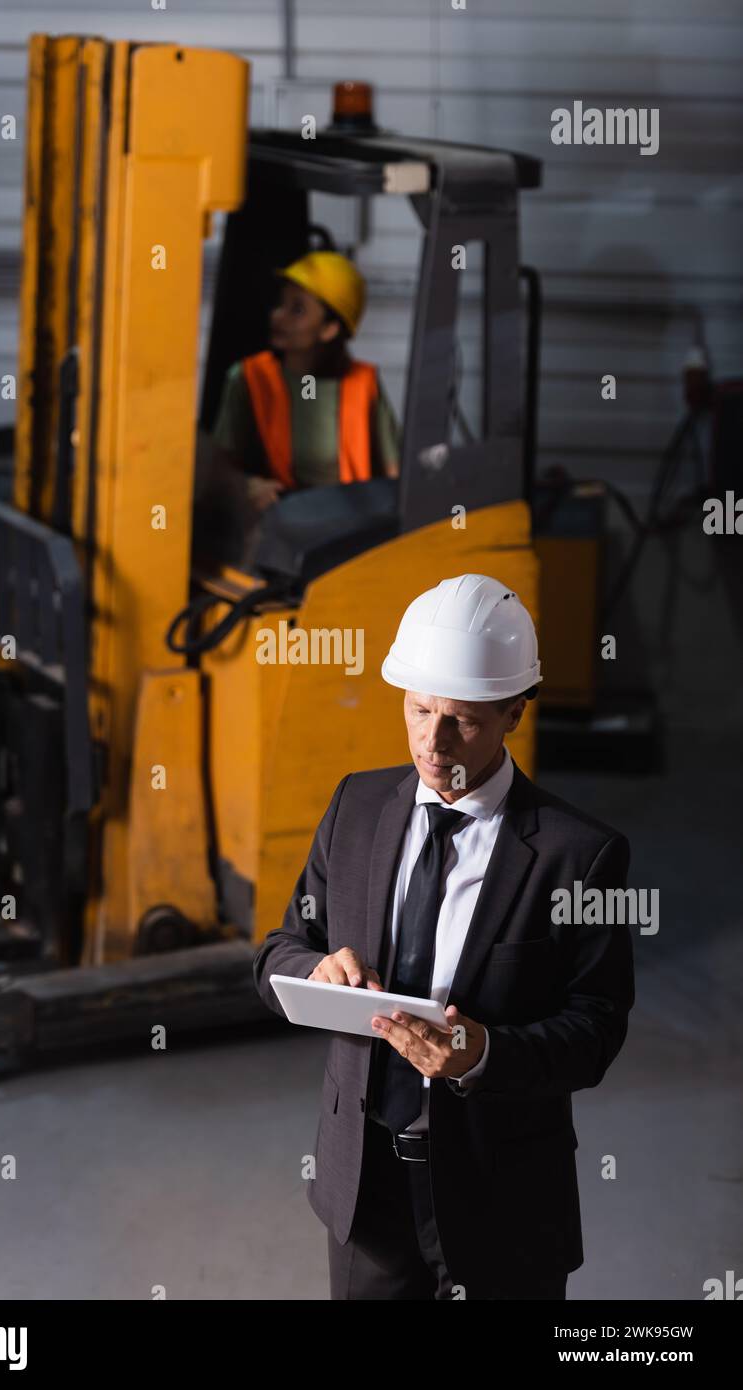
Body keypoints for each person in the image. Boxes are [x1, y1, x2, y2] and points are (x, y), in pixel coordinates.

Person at [253, 573, 635, 1301]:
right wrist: (313, 967)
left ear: (513, 714)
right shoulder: (355, 808)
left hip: (503, 1197)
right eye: (419, 709)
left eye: (461, 719)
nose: (432, 740)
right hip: (365, 1188)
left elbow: (595, 1032)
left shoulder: (579, 855)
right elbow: (278, 950)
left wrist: (482, 1053)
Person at [211, 251, 400, 521]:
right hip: (280, 533)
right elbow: (217, 468)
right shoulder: (250, 378)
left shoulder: (363, 384)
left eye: (297, 309)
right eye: (280, 304)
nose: (278, 316)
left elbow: (396, 475)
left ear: (329, 329)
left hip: (355, 532)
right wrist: (248, 487)